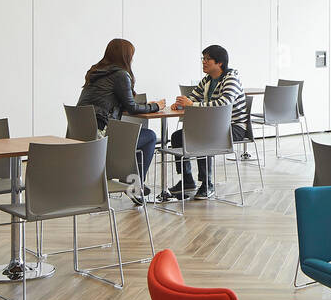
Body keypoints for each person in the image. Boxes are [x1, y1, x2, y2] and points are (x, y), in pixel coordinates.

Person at [77, 39, 163, 190]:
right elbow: (132, 108)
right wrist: (155, 106)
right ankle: (136, 187)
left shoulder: (95, 72)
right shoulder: (120, 75)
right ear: (126, 56)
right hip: (102, 136)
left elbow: (109, 101)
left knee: (135, 134)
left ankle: (130, 181)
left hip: (83, 135)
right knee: (149, 136)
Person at [166, 45, 248, 199]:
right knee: (178, 136)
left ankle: (207, 184)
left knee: (203, 138)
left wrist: (191, 104)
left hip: (233, 128)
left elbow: (223, 104)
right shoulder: (208, 80)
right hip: (213, 127)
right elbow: (193, 98)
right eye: (203, 58)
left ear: (220, 63)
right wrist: (181, 103)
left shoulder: (231, 79)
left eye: (207, 59)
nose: (203, 62)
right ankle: (187, 180)